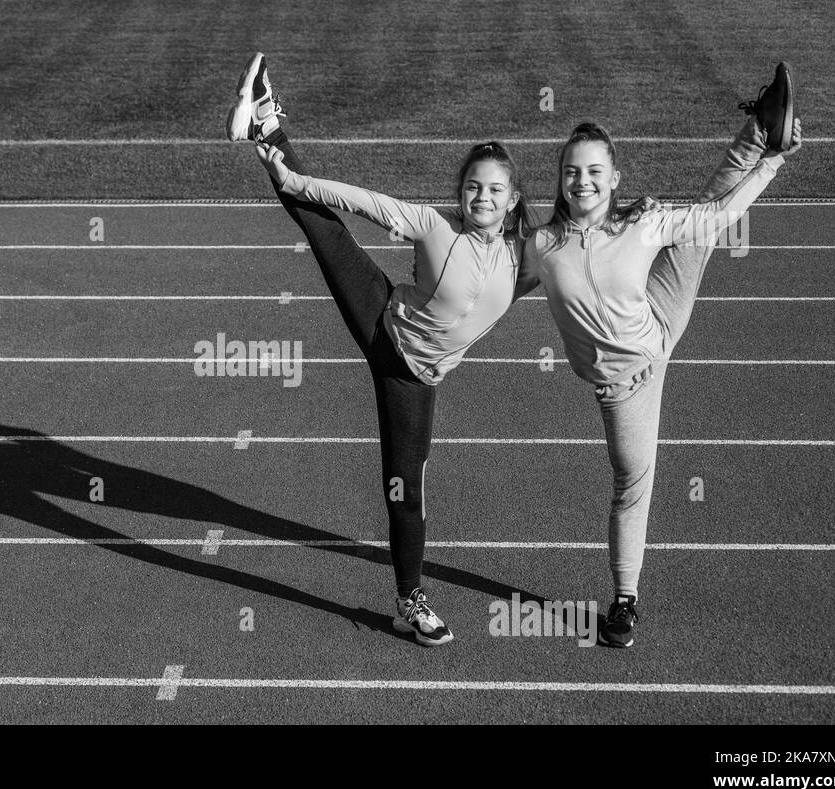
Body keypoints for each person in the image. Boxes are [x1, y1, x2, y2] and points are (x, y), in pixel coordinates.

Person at [226, 52, 537, 646]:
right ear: (461, 192)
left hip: (413, 381)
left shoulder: (526, 260)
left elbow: (585, 246)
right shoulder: (434, 226)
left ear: (513, 199)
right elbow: (360, 201)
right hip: (380, 320)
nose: (482, 196)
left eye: (495, 189)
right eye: (473, 186)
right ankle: (267, 124)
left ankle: (406, 602)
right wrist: (292, 181)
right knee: (325, 229)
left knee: (405, 489)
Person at [514, 63, 803, 646]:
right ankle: (761, 134)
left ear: (615, 178)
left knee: (701, 224)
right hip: (627, 385)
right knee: (630, 481)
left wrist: (772, 161)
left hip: (661, 313)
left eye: (595, 171)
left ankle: (625, 601)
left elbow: (719, 216)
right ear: (561, 179)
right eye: (572, 172)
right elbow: (496, 290)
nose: (582, 181)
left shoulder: (642, 223)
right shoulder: (541, 246)